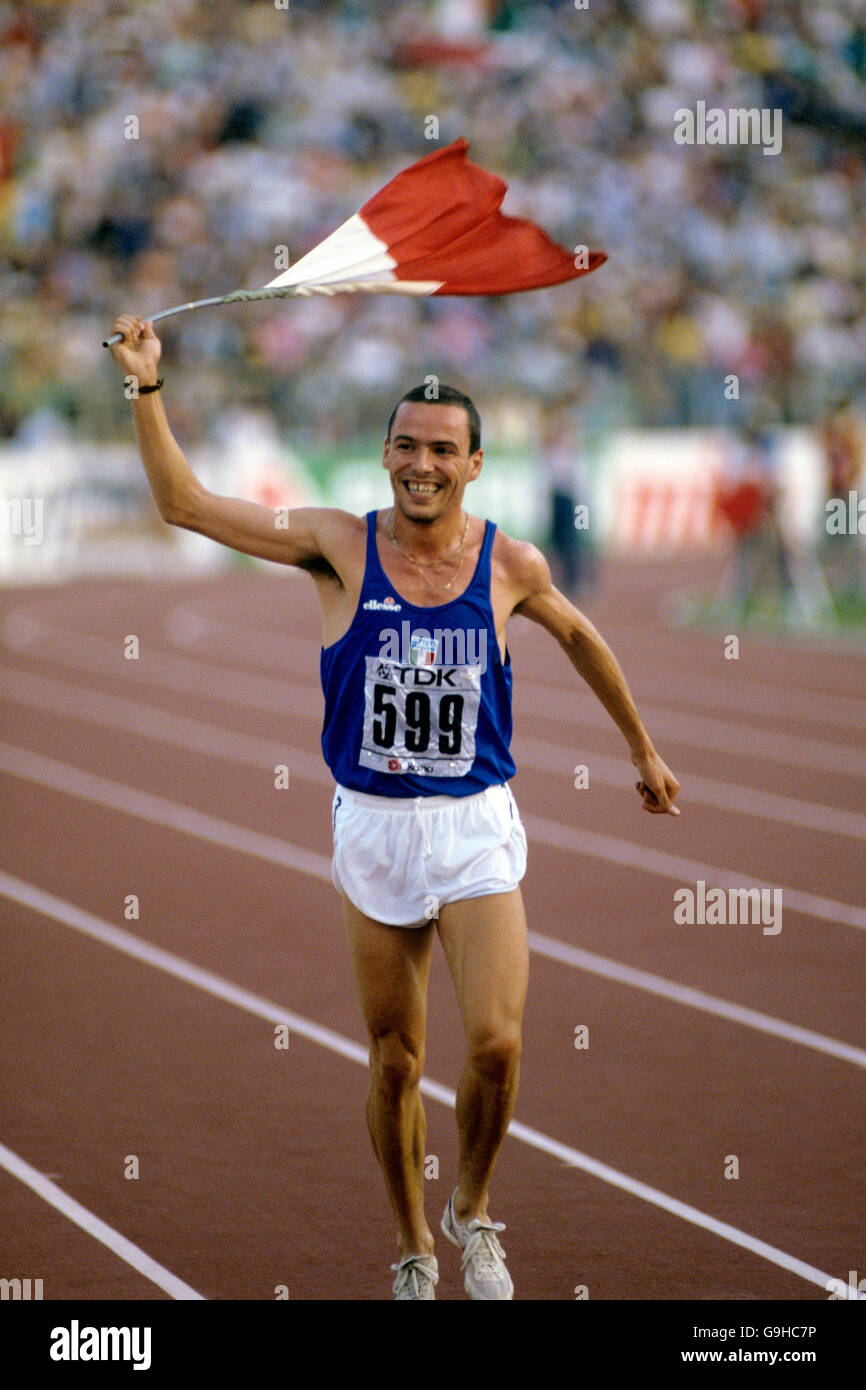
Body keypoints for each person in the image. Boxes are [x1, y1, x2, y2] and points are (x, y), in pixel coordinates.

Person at [109, 314, 682, 1301]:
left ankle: (473, 1207)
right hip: (372, 824)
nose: (421, 463)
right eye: (406, 446)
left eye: (441, 450)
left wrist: (640, 746)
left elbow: (581, 636)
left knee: (495, 1047)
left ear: (474, 465)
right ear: (383, 455)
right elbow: (186, 506)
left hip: (472, 824)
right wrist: (145, 387)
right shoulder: (336, 544)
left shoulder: (511, 565)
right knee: (393, 1060)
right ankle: (414, 1241)